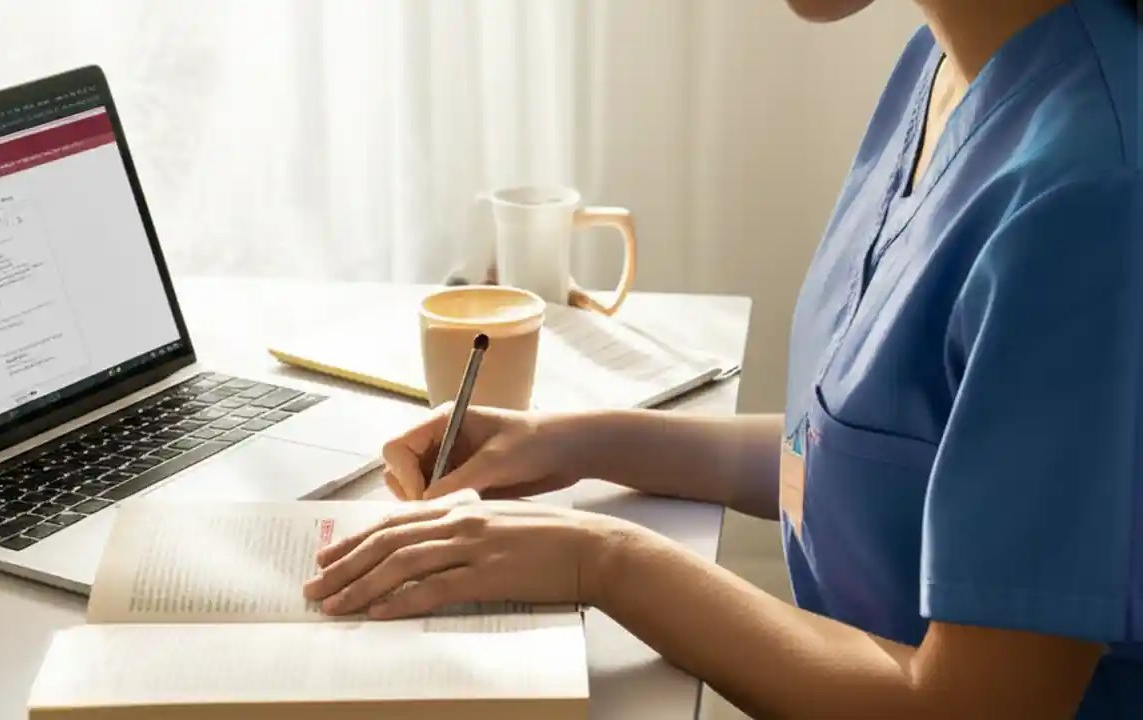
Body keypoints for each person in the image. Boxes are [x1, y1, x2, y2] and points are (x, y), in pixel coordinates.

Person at [303, 0, 1141, 716]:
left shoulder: (1090, 194)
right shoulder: (946, 62)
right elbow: (864, 453)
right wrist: (577, 442)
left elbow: (968, 707)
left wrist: (599, 558)